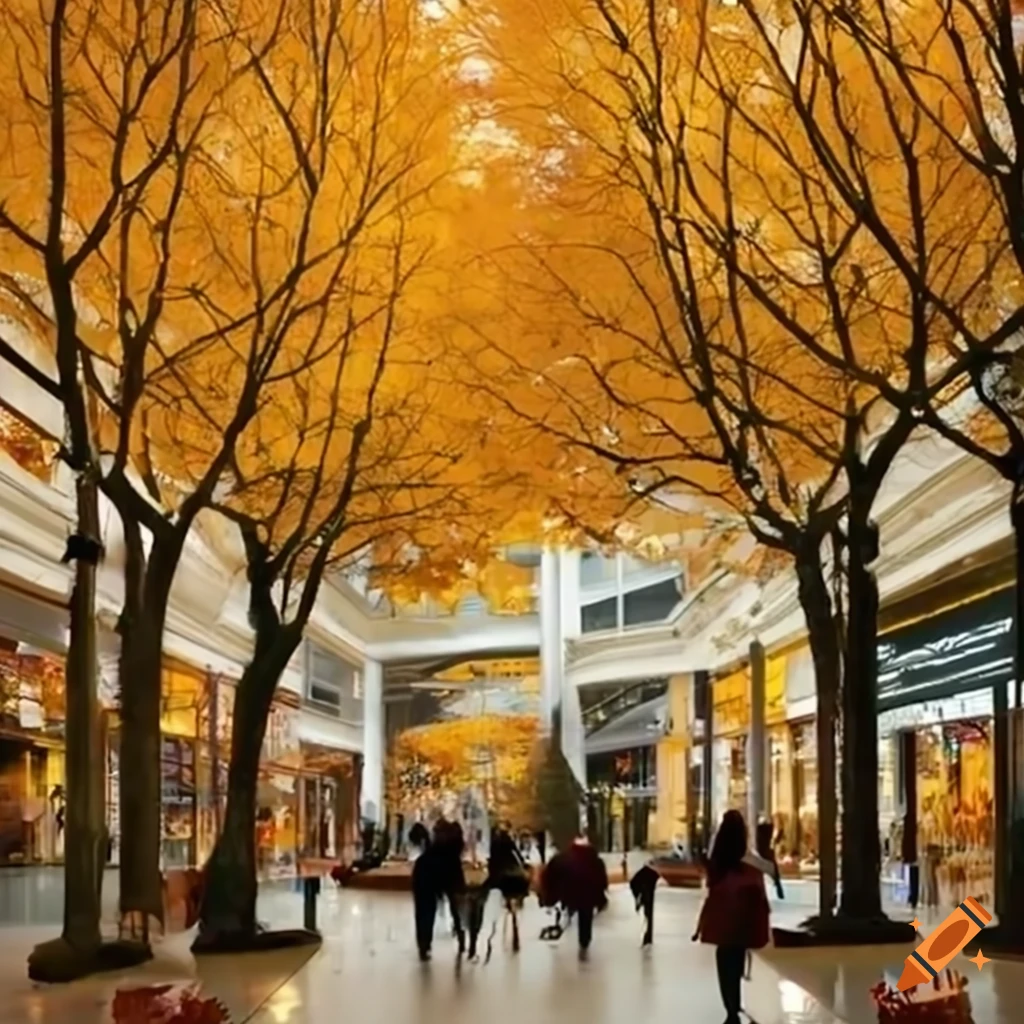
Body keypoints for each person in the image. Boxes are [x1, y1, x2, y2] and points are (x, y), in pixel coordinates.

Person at [694, 810, 771, 1024]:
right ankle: (735, 1004)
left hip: (722, 920)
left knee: (724, 959)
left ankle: (730, 1008)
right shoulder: (748, 862)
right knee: (736, 959)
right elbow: (763, 882)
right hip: (742, 922)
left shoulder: (719, 859)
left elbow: (711, 883)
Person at [539, 835, 608, 958]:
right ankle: (584, 941)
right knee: (585, 917)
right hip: (588, 895)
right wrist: (601, 895)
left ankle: (562, 923)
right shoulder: (595, 860)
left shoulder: (562, 858)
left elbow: (550, 875)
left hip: (567, 893)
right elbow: (601, 880)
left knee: (566, 909)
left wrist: (549, 894)